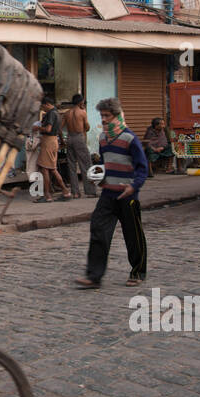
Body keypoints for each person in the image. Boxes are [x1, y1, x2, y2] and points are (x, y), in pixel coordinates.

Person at [75, 98, 149, 289]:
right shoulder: (102, 138)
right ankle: (94, 277)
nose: (104, 119)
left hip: (128, 196)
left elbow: (142, 168)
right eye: (102, 116)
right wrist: (98, 176)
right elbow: (104, 164)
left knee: (133, 235)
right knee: (98, 230)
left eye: (107, 115)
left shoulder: (130, 138)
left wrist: (134, 186)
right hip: (108, 194)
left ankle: (138, 271)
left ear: (117, 116)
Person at [33, 95, 69, 202]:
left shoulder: (50, 114)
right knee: (52, 168)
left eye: (43, 107)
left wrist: (37, 127)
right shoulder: (57, 113)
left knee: (45, 168)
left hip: (48, 141)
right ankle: (65, 192)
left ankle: (47, 195)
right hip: (53, 141)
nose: (42, 109)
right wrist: (61, 141)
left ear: (47, 104)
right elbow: (58, 130)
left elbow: (48, 129)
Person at [62, 94, 94, 198]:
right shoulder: (82, 112)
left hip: (69, 138)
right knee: (86, 164)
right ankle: (90, 191)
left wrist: (63, 140)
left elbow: (59, 128)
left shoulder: (67, 113)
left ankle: (75, 192)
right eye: (83, 102)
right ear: (81, 102)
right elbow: (87, 127)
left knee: (71, 166)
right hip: (79, 138)